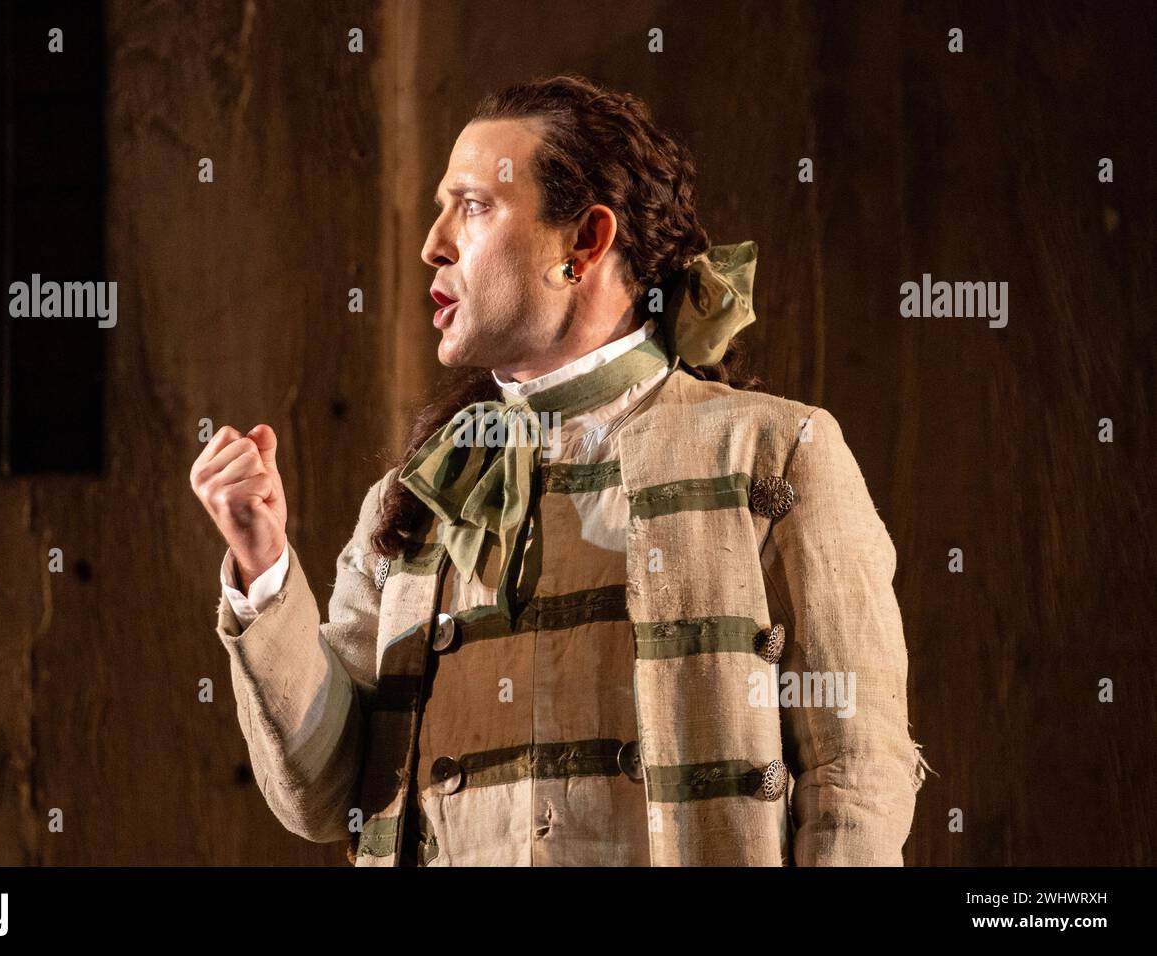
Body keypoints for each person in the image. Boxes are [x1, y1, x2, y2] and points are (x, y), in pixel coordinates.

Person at [189, 73, 930, 866]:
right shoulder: (418, 493)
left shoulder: (774, 452)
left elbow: (856, 777)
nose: (433, 244)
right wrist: (264, 567)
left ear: (585, 242)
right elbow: (324, 795)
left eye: (473, 206)